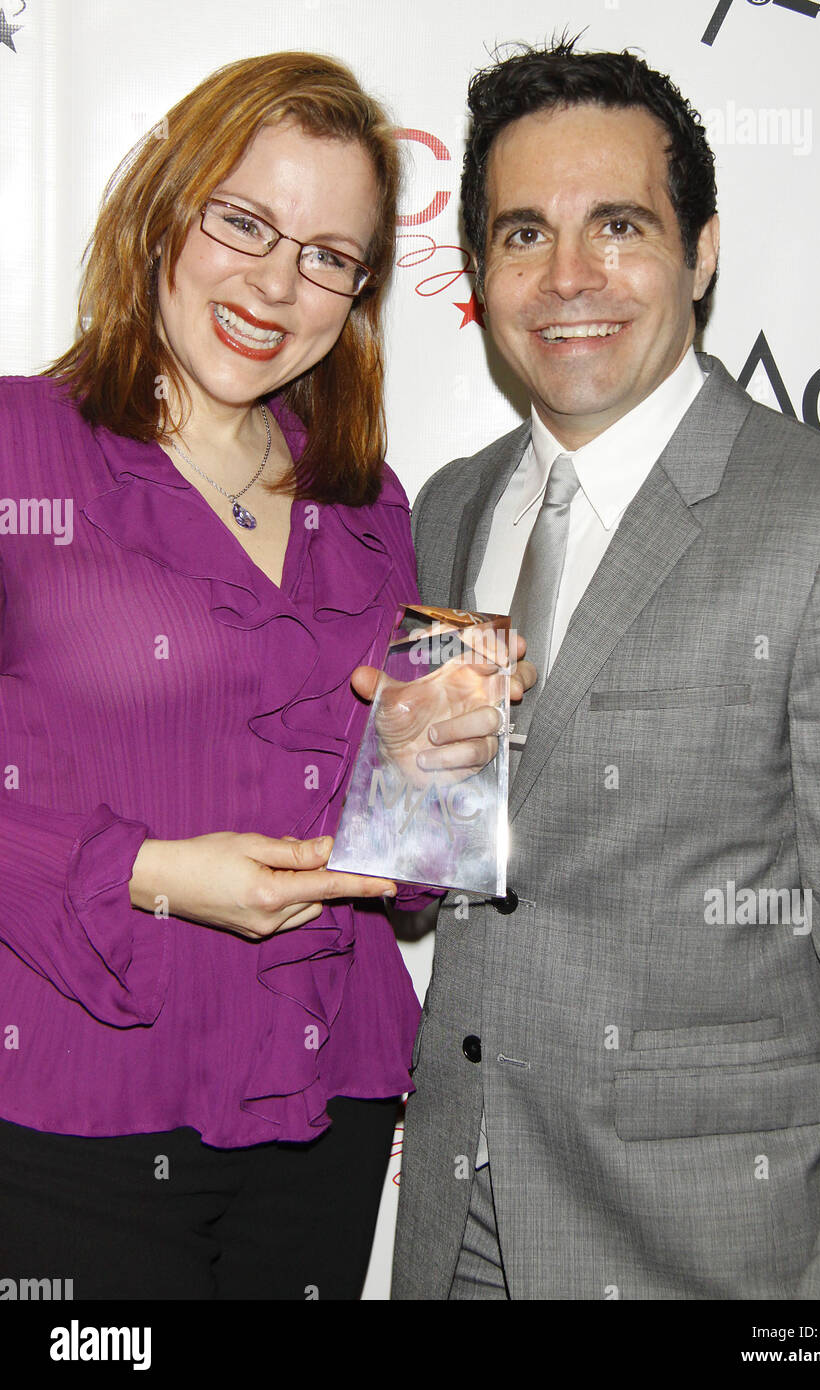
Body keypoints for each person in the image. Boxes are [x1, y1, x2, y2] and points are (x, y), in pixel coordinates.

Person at [393, 37, 820, 1299]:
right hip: (454, 1223)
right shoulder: (449, 506)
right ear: (475, 269)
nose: (567, 277)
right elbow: (432, 886)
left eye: (617, 225)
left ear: (700, 250)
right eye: (522, 234)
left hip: (707, 1245)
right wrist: (409, 803)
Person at [0, 50, 507, 1301]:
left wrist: (432, 765)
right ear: (166, 207)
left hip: (328, 1107)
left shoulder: (375, 504)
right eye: (245, 222)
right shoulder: (16, 445)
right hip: (79, 1110)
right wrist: (146, 876)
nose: (277, 284)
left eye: (329, 255)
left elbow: (412, 883)